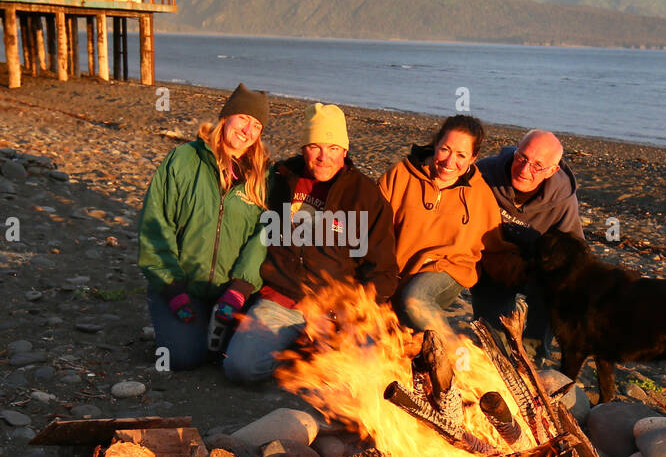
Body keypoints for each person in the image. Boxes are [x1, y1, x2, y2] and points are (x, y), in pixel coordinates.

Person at [224, 103, 398, 383]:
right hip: (281, 302)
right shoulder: (279, 180)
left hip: (336, 309)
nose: (323, 157)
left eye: (332, 148)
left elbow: (384, 271)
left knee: (363, 379)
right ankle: (295, 349)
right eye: (315, 146)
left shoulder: (365, 196)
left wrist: (351, 310)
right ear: (303, 147)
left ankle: (306, 354)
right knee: (239, 369)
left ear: (344, 150)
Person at [137, 83, 271, 371]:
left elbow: (262, 238)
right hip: (183, 286)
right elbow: (154, 224)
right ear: (227, 117)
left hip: (232, 293)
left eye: (257, 125)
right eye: (244, 119)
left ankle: (218, 322)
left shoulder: (262, 177)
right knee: (183, 358)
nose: (248, 130)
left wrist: (239, 289)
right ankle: (175, 312)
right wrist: (172, 288)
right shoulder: (184, 159)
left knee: (236, 359)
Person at [377, 114, 523, 339]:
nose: (449, 162)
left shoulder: (480, 195)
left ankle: (453, 351)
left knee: (414, 300)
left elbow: (495, 247)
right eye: (445, 149)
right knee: (393, 333)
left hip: (449, 269)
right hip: (399, 269)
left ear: (473, 158)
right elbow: (373, 225)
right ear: (435, 144)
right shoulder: (401, 176)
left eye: (461, 155)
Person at [474, 129, 584, 356]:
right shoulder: (484, 173)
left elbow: (574, 251)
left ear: (552, 170)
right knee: (494, 346)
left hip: (537, 269)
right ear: (515, 151)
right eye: (522, 157)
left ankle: (535, 360)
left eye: (537, 165)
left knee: (555, 291)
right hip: (493, 264)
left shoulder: (563, 199)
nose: (524, 170)